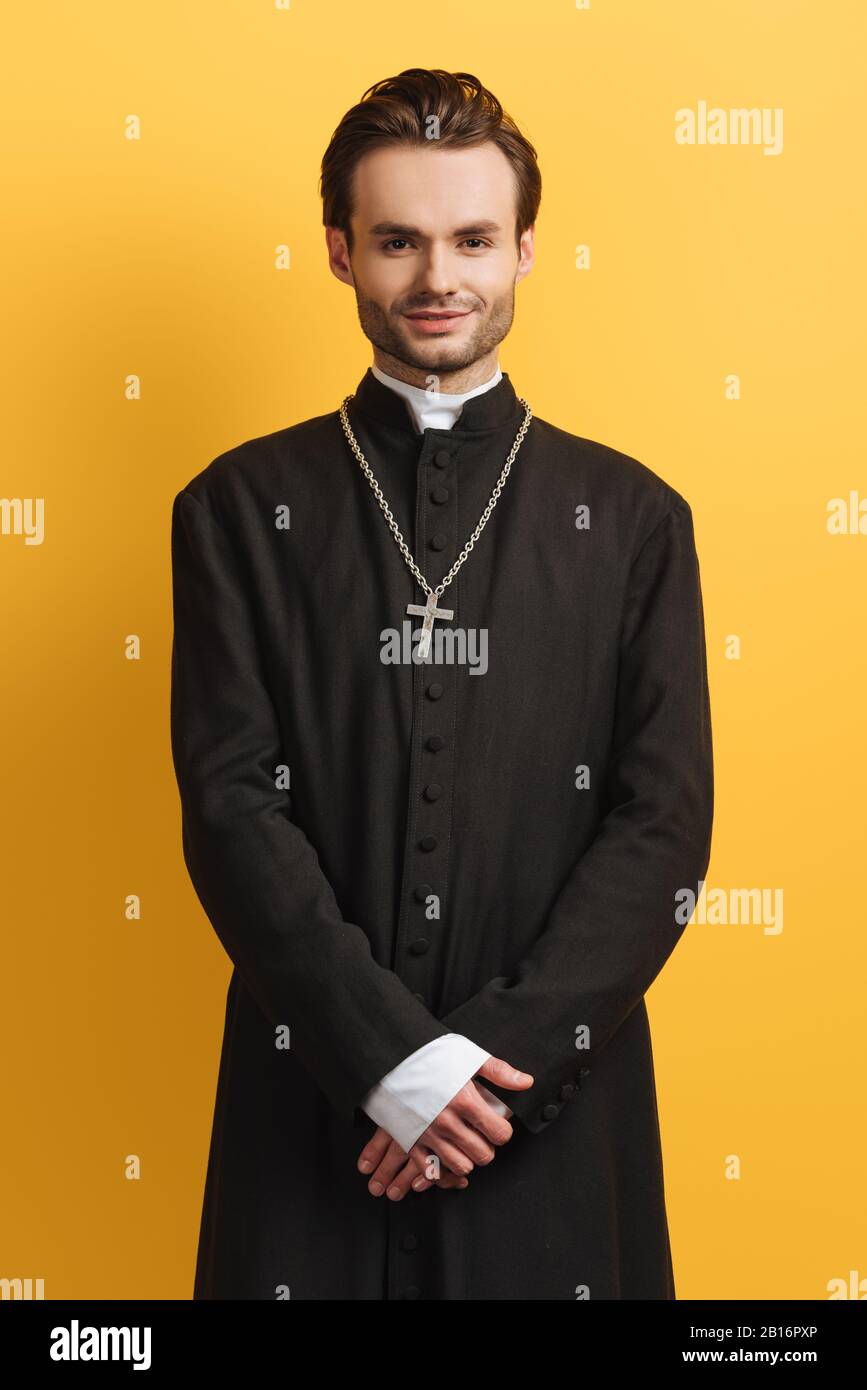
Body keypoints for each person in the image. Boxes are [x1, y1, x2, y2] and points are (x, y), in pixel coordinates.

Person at [170, 67, 714, 1300]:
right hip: (311, 1104)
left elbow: (663, 827)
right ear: (337, 250)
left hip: (551, 1118)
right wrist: (388, 1064)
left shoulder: (633, 521)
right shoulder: (237, 512)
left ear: (525, 247)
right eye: (398, 241)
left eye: (473, 238)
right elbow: (229, 808)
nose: (438, 279)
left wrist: (484, 1072)